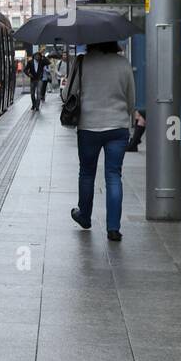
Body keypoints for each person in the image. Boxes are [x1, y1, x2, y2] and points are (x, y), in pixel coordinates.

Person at [65, 40, 136, 241]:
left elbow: (66, 95)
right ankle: (113, 227)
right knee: (113, 175)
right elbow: (131, 99)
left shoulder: (82, 62)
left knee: (87, 173)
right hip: (118, 127)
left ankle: (85, 216)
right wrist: (123, 115)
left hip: (89, 127)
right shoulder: (123, 63)